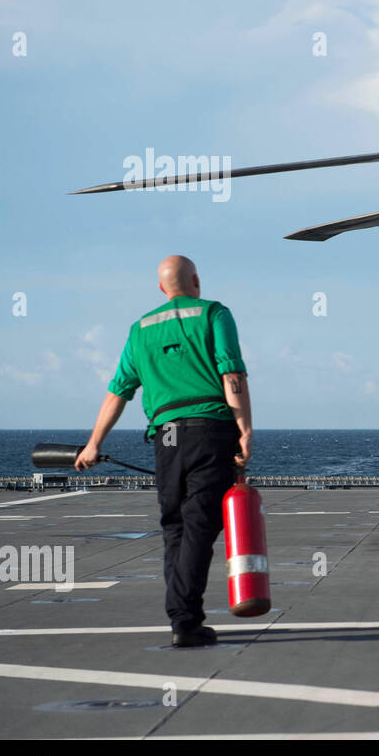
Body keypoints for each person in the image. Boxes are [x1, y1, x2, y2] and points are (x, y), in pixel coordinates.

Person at [76, 256, 252, 648]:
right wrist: (245, 430)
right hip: (209, 429)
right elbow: (232, 374)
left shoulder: (140, 329)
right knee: (200, 524)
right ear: (196, 280)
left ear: (161, 289)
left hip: (167, 436)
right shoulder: (214, 314)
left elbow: (118, 390)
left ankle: (181, 617)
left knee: (175, 524)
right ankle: (186, 620)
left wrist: (94, 443)